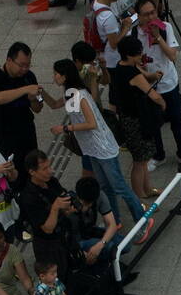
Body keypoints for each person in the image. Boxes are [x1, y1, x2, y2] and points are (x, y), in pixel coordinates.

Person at [44, 59, 152, 238]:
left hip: (102, 147)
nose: (54, 77)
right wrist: (42, 93)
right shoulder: (69, 92)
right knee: (105, 186)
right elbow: (55, 104)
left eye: (56, 73)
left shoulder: (78, 95)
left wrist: (65, 128)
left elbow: (91, 123)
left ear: (64, 76)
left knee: (119, 186)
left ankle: (143, 221)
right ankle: (115, 221)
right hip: (91, 148)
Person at [17, 150, 88, 295]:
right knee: (53, 281)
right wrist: (55, 207)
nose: (50, 171)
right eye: (44, 168)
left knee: (68, 274)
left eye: (49, 166)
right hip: (47, 245)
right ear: (32, 172)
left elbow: (65, 206)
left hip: (63, 237)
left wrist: (69, 207)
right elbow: (47, 228)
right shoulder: (29, 197)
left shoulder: (52, 182)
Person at [136, 0, 181, 172]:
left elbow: (172, 56)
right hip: (148, 85)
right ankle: (158, 155)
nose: (151, 17)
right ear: (138, 16)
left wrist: (157, 37)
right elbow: (132, 61)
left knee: (176, 120)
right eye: (146, 14)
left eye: (153, 13)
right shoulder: (134, 33)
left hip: (168, 83)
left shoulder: (165, 28)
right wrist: (144, 74)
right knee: (153, 123)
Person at [112, 34, 167, 198]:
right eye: (138, 53)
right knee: (139, 161)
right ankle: (139, 196)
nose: (140, 55)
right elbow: (152, 94)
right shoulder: (132, 74)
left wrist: (152, 75)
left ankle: (147, 189)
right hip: (135, 121)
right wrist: (162, 103)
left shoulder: (121, 66)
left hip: (128, 117)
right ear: (129, 55)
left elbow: (142, 74)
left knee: (144, 159)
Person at [0, 43, 43, 189]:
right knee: (12, 175)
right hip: (4, 136)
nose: (24, 69)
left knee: (32, 170)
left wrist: (33, 99)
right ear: (9, 60)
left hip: (26, 132)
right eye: (21, 65)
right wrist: (25, 90)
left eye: (28, 65)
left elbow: (38, 108)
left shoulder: (29, 77)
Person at [72, 177, 124, 271]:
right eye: (84, 203)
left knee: (124, 245)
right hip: (75, 241)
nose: (87, 206)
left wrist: (100, 244)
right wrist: (79, 252)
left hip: (89, 232)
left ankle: (100, 257)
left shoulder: (99, 195)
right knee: (110, 248)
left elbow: (112, 225)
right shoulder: (68, 205)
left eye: (90, 203)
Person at [92, 0, 135, 79]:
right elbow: (114, 44)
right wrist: (125, 28)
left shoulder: (96, 2)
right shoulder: (107, 16)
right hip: (112, 59)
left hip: (103, 54)